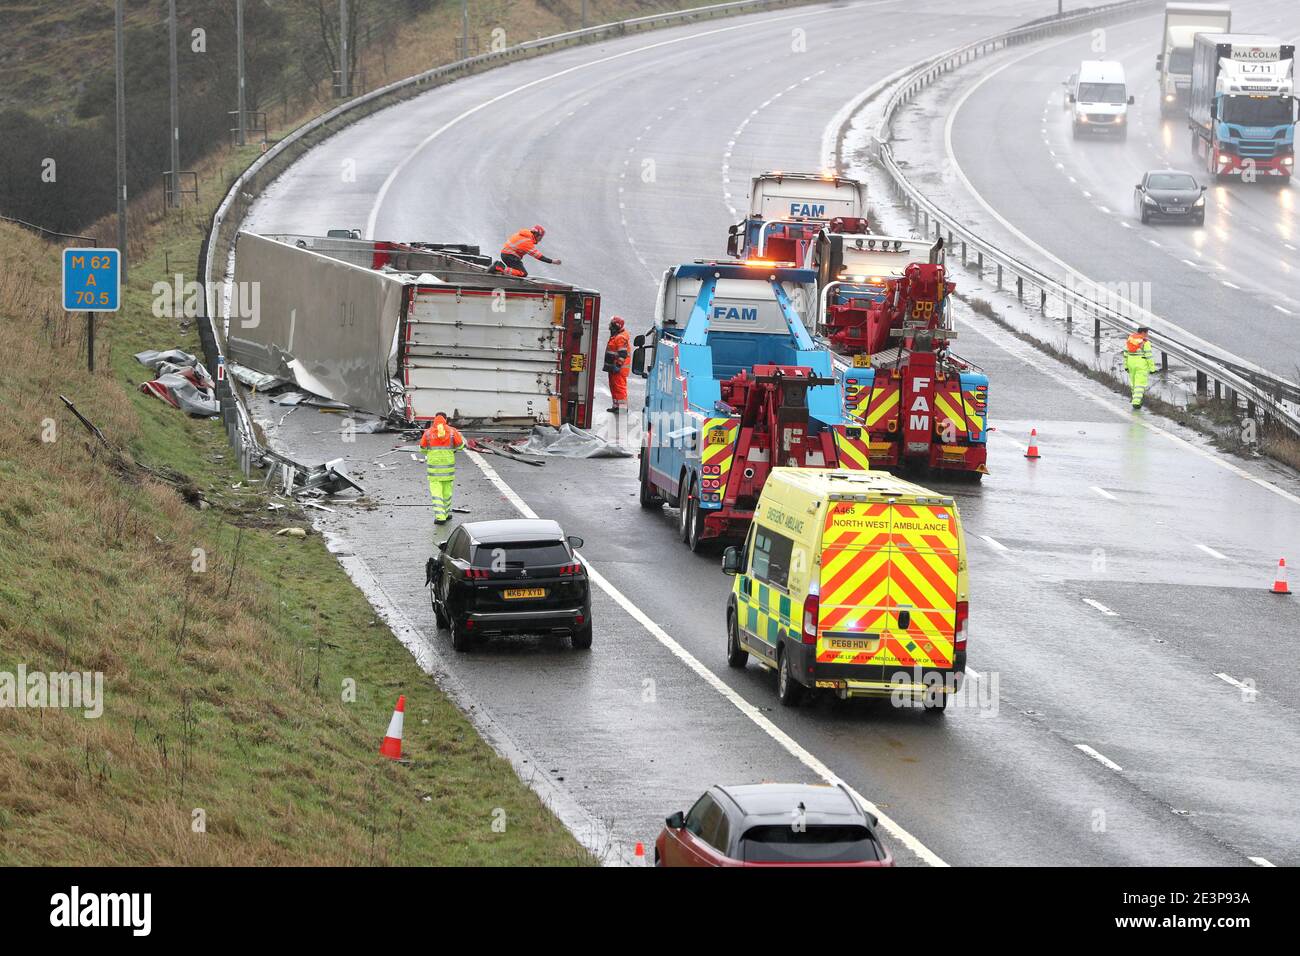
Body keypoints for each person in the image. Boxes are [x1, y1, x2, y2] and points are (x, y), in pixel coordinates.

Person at [420, 412, 465, 524]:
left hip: (434, 469)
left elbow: (422, 448)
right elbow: (460, 446)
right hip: (448, 468)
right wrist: (452, 449)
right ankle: (446, 513)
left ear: (434, 419)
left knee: (437, 494)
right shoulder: (452, 431)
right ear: (446, 420)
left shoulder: (428, 432)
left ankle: (440, 518)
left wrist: (431, 452)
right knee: (447, 493)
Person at [496, 224, 561, 277]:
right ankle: (499, 268)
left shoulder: (522, 235)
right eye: (540, 237)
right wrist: (552, 261)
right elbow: (539, 256)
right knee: (523, 273)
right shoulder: (527, 241)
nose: (540, 240)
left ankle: (500, 269)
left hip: (506, 254)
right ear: (536, 234)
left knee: (514, 272)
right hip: (510, 256)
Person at [1123, 326, 1157, 409]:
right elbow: (1149, 356)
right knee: (1140, 384)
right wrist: (1152, 369)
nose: (1147, 335)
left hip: (1131, 364)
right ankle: (1136, 402)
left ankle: (1135, 398)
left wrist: (1126, 366)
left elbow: (1125, 354)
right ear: (1143, 333)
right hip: (1141, 365)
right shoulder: (1145, 342)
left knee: (1134, 383)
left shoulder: (1130, 340)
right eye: (1147, 333)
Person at [603, 316, 631, 414]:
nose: (609, 326)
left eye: (611, 324)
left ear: (615, 326)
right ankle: (616, 406)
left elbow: (622, 354)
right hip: (613, 367)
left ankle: (622, 408)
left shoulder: (620, 337)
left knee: (619, 388)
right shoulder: (617, 335)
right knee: (614, 387)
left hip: (618, 368)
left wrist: (618, 365)